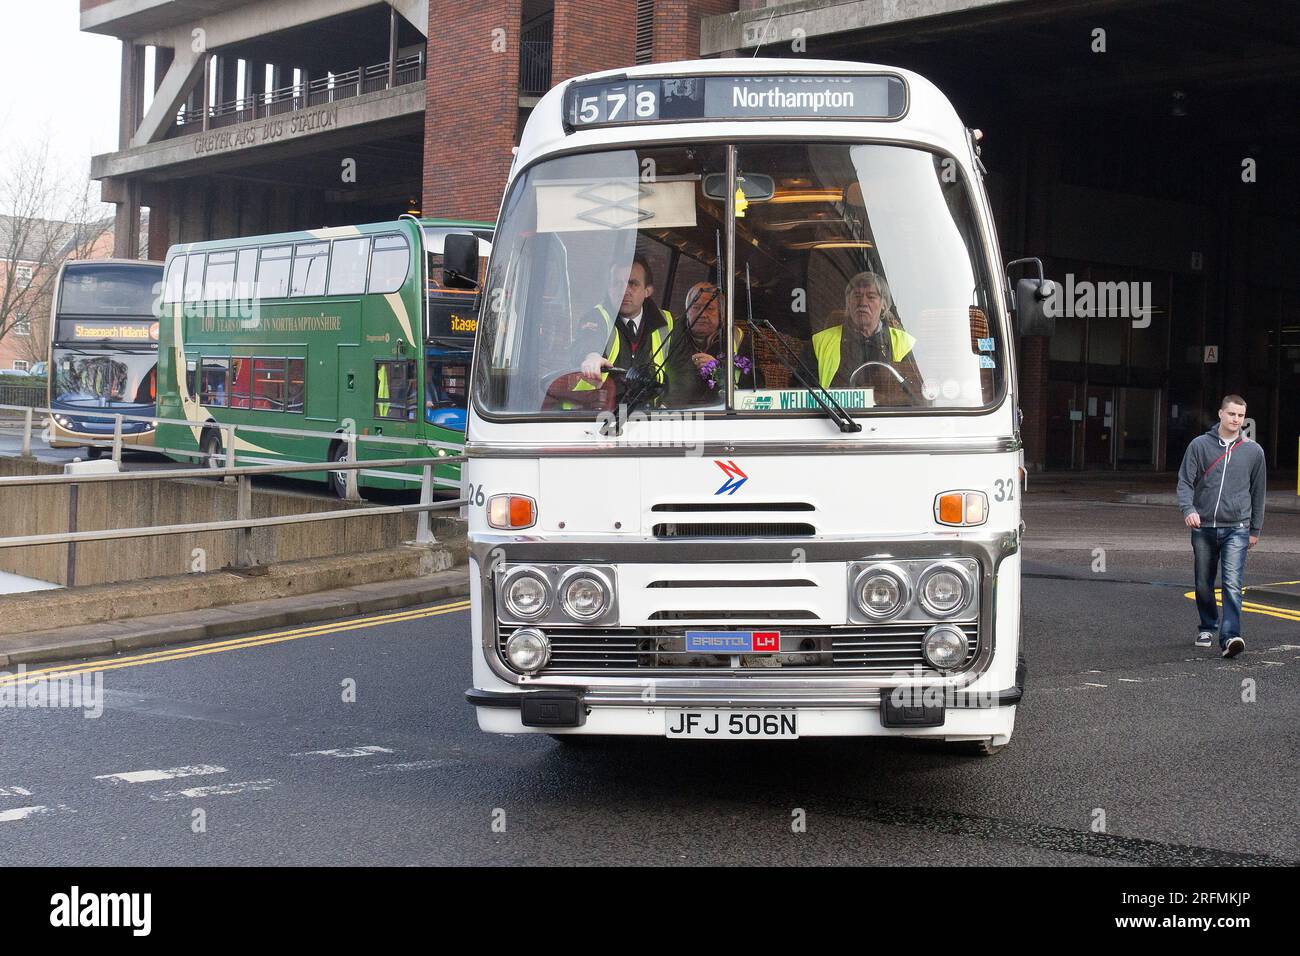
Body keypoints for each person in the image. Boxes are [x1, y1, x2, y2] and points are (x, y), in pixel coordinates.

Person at [1176, 394, 1267, 658]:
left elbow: (1258, 492)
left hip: (1237, 528)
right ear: (1220, 414)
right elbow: (1184, 481)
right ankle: (1207, 625)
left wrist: (1255, 529)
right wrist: (1188, 509)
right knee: (1203, 583)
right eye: (1232, 414)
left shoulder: (1253, 451)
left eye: (1241, 415)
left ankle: (1230, 638)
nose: (1236, 419)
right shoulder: (1199, 445)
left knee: (1232, 583)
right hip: (1203, 527)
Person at [801, 271, 923, 404]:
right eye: (857, 296)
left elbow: (917, 398)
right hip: (834, 419)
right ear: (848, 302)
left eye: (871, 297)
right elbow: (801, 397)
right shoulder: (819, 343)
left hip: (888, 420)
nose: (862, 302)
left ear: (884, 305)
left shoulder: (905, 344)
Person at [576, 255, 673, 406]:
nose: (624, 291)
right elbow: (589, 339)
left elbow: (679, 368)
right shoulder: (596, 316)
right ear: (609, 288)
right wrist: (592, 357)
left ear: (648, 290)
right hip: (595, 413)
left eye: (632, 283)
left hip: (648, 414)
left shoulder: (666, 321)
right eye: (617, 284)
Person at [664, 281, 761, 405]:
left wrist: (717, 370)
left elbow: (755, 384)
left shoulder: (736, 338)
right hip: (677, 413)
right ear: (687, 311)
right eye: (696, 307)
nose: (702, 314)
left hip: (721, 413)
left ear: (722, 314)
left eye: (709, 308)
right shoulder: (670, 335)